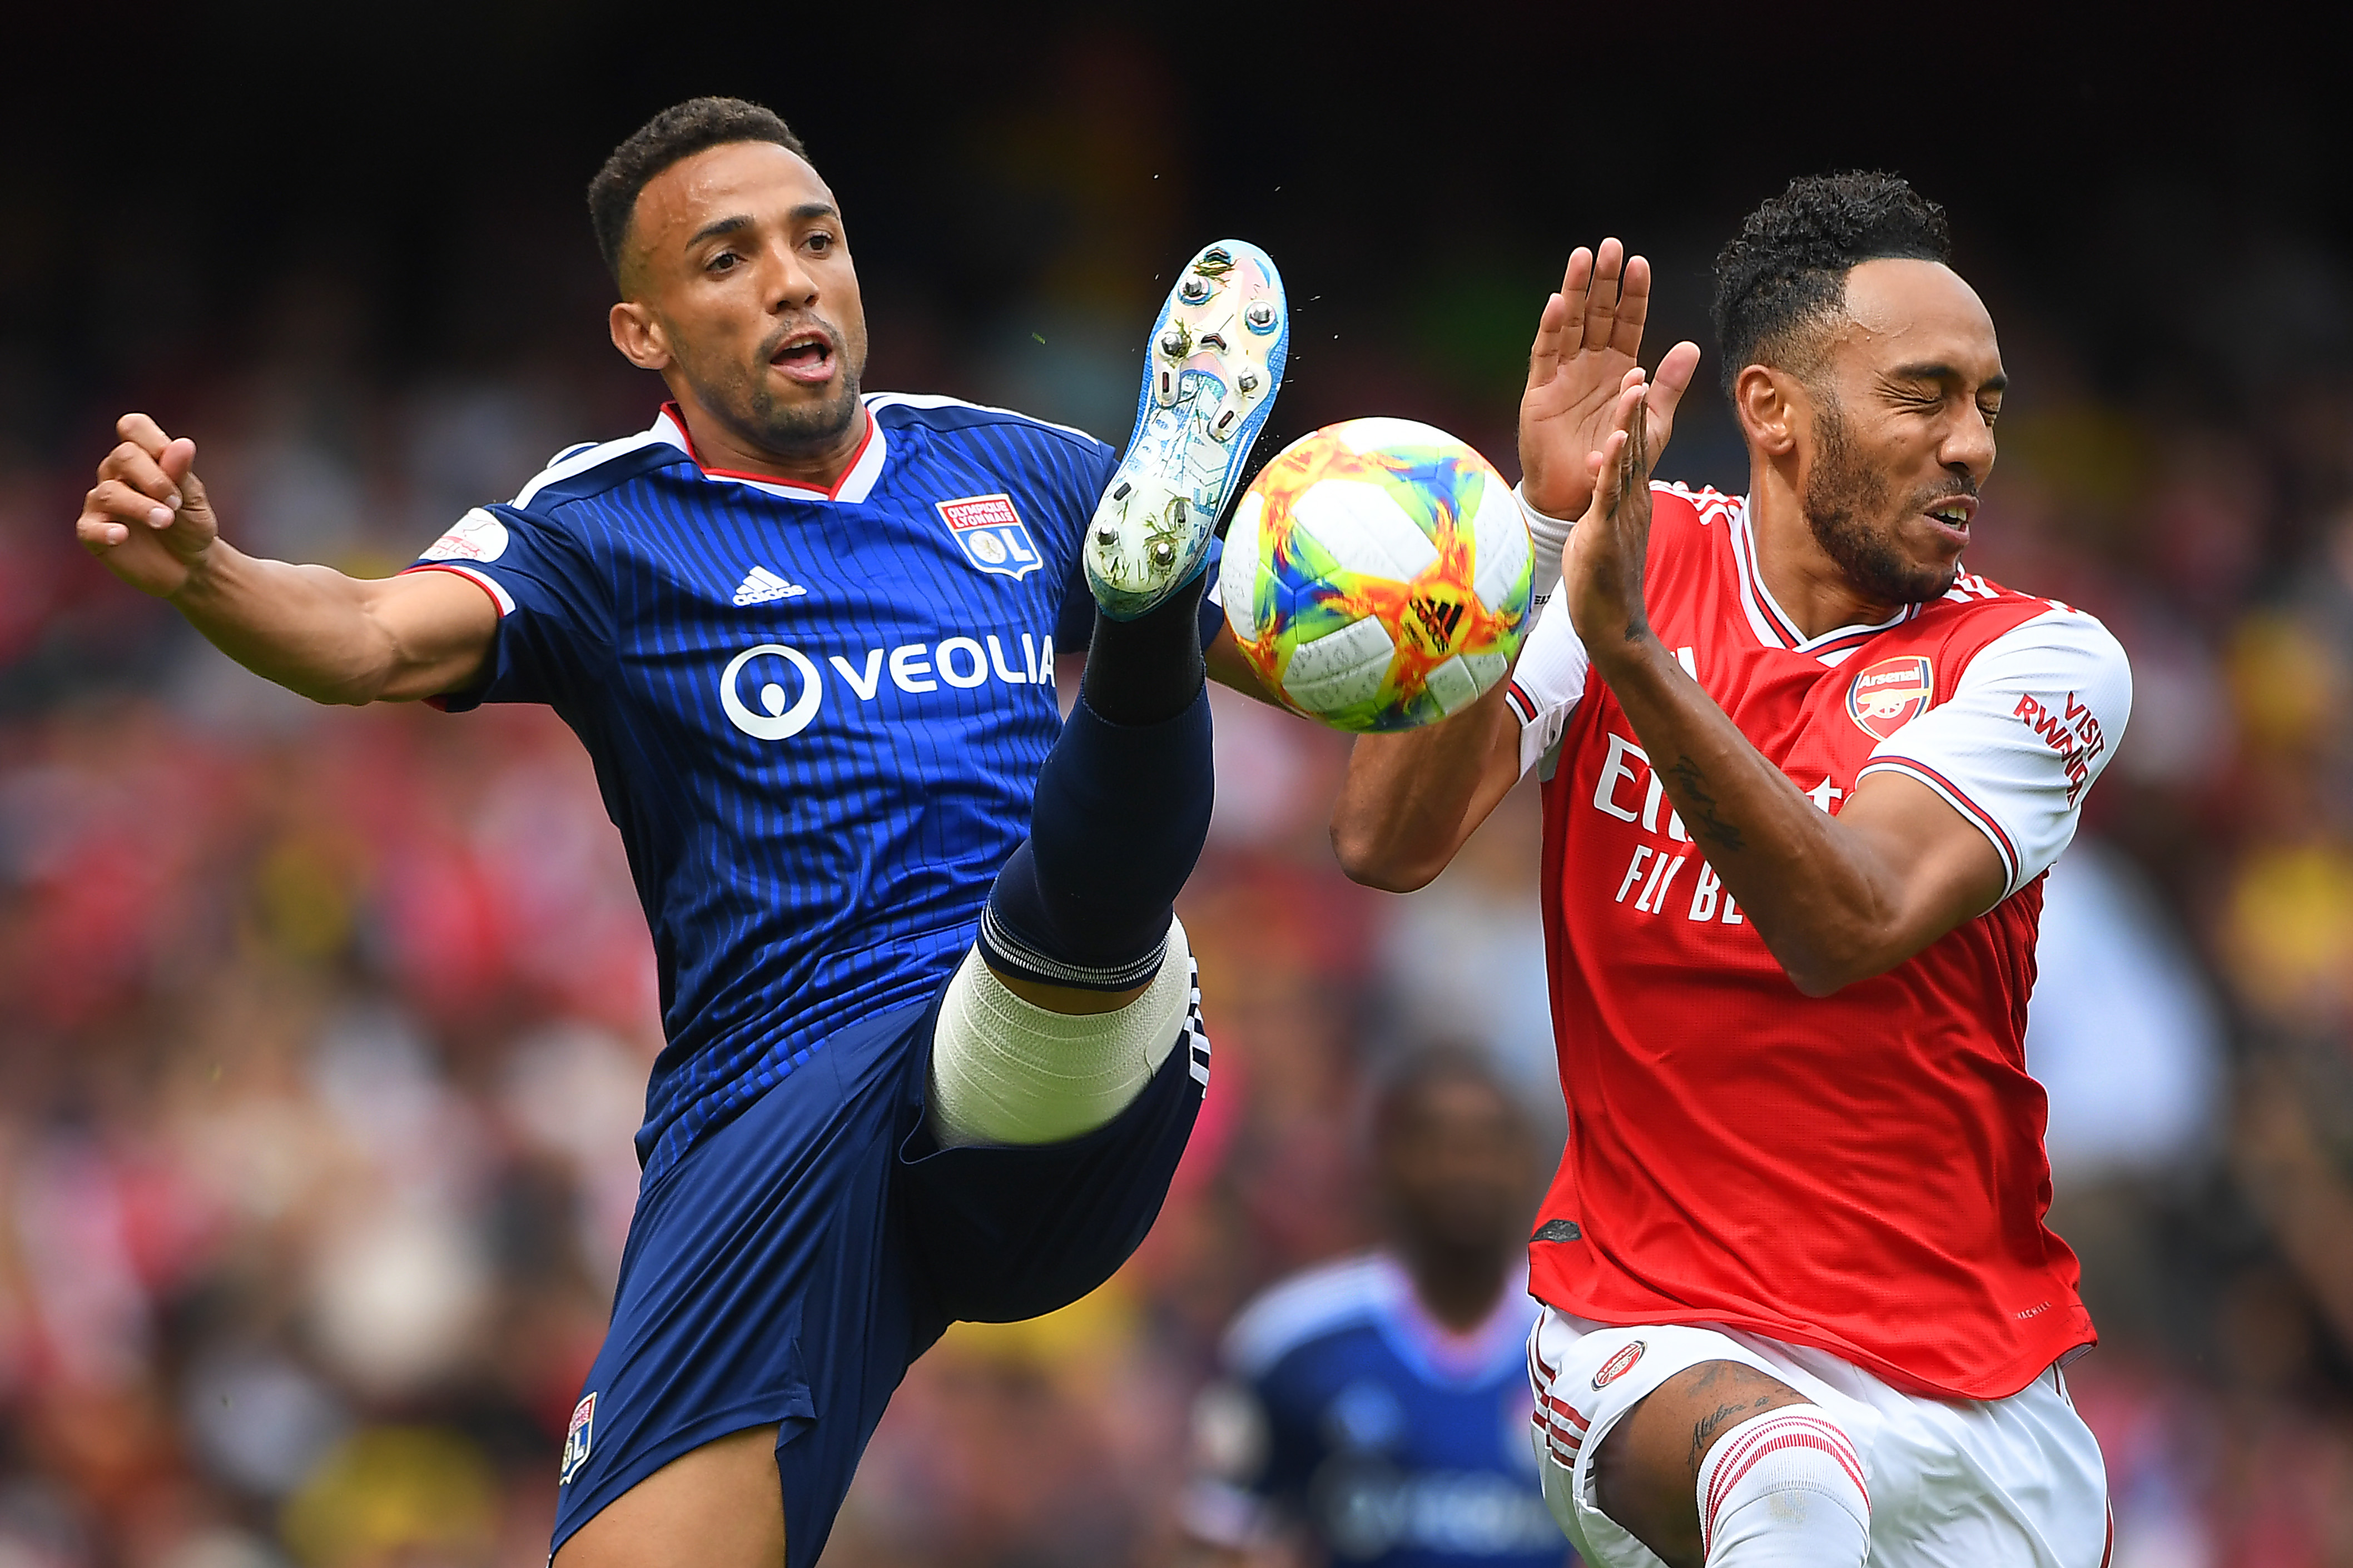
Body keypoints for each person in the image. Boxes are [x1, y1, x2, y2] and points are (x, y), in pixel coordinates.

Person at [71, 97, 1289, 1568]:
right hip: (767, 1109)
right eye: (726, 258)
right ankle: (1146, 625)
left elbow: (1341, 666)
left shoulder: (1014, 469)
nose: (790, 279)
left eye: (815, 240)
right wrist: (209, 568)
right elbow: (371, 637)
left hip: (1050, 1050)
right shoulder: (601, 527)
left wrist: (1526, 551)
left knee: (1069, 912)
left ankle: (1147, 608)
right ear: (642, 330)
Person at [1329, 173, 2129, 1568]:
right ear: (1771, 412)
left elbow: (1847, 919)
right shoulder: (1626, 561)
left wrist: (1631, 652)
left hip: (1979, 1401)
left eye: (1987, 405)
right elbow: (1384, 841)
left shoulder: (2037, 661)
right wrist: (1523, 529)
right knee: (1786, 1479)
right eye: (1922, 396)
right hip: (1651, 1336)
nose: (1968, 448)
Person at [1183, 1048, 1572, 1568]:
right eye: (1437, 1144)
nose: (1465, 1168)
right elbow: (1214, 1537)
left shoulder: (1585, 1352)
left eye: (1490, 1144)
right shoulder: (1293, 1344)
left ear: (1529, 1165)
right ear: (1382, 1162)